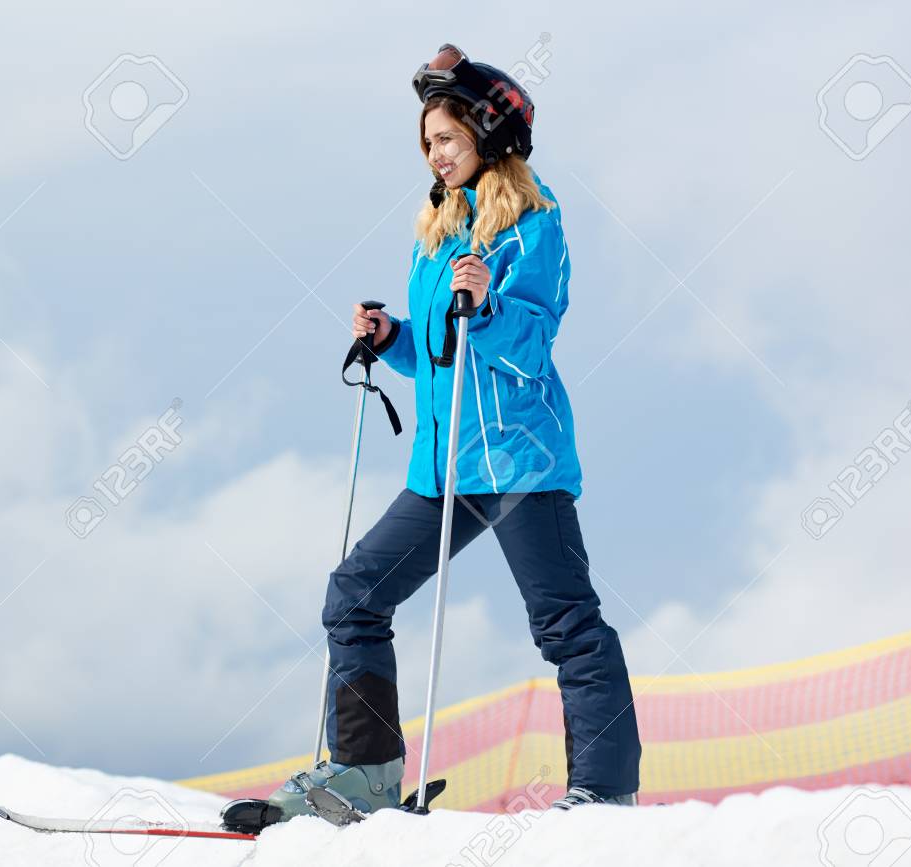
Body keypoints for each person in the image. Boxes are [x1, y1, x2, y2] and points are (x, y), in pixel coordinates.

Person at [266, 43, 643, 824]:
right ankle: (367, 771)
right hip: (442, 467)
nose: (434, 155)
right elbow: (444, 354)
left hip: (516, 460)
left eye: (445, 138)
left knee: (567, 623)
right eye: (427, 143)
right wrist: (391, 336)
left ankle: (605, 789)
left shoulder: (533, 224)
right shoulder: (436, 231)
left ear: (487, 132)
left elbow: (531, 341)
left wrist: (493, 303)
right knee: (355, 595)